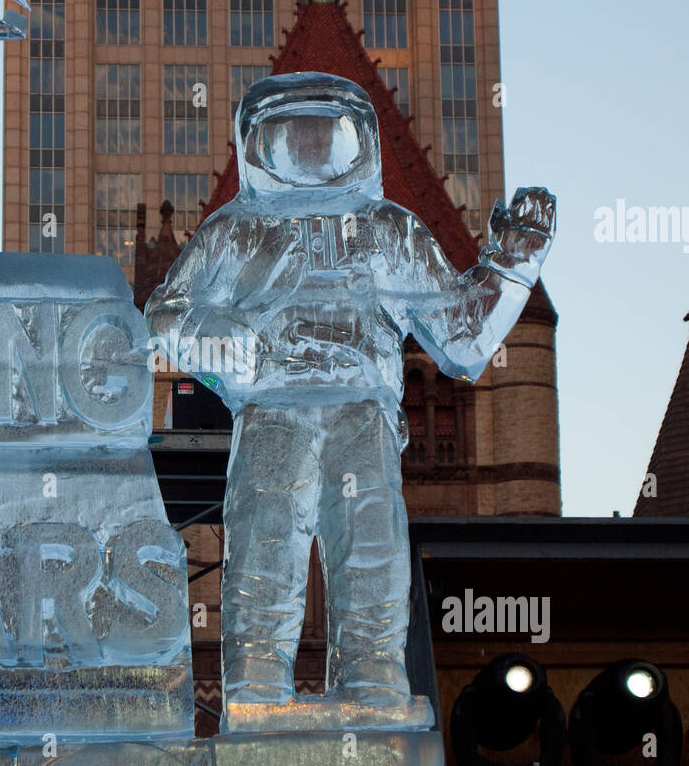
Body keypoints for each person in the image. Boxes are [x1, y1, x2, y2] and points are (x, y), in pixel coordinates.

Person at [146, 72, 555, 713]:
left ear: (359, 142)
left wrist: (512, 266)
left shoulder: (387, 229)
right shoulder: (237, 230)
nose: (309, 152)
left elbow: (463, 338)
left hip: (361, 409)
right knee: (265, 538)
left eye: (323, 136)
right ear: (260, 143)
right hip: (275, 409)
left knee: (371, 541)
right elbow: (166, 313)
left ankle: (370, 672)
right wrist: (214, 333)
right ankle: (256, 680)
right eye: (291, 137)